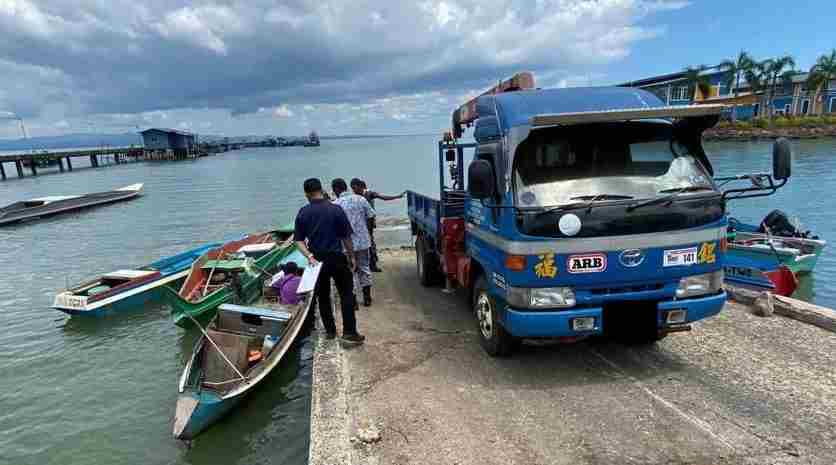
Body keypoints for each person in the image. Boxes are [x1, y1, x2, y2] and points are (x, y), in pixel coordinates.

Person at [294, 178, 365, 344]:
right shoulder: (336, 209)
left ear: (306, 194)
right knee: (346, 295)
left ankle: (331, 332)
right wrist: (352, 256)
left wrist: (309, 256)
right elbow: (346, 236)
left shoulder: (303, 212)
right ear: (322, 189)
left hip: (317, 260)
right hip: (337, 258)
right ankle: (349, 333)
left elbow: (298, 240)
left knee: (323, 297)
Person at [332, 178, 376, 307]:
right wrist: (368, 233)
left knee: (350, 271)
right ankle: (367, 298)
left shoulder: (335, 204)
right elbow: (370, 216)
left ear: (335, 190)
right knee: (364, 268)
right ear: (346, 187)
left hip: (346, 244)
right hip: (363, 241)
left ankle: (354, 301)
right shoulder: (360, 199)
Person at [350, 178, 405, 272]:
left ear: (360, 187)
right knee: (360, 244)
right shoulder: (355, 196)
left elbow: (383, 197)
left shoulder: (369, 193)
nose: (354, 191)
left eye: (355, 188)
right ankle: (362, 264)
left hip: (368, 224)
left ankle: (373, 265)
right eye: (352, 189)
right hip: (359, 224)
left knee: (370, 243)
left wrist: (397, 196)